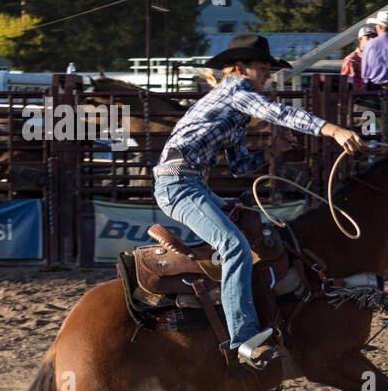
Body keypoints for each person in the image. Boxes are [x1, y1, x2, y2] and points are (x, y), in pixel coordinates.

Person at [154, 34, 364, 369]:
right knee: (234, 245)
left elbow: (238, 166)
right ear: (240, 68)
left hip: (192, 183)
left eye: (268, 69)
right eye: (263, 68)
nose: (267, 75)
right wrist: (333, 131)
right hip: (178, 184)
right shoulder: (237, 91)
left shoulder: (233, 108)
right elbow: (279, 113)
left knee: (255, 233)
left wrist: (270, 152)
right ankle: (243, 338)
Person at [341, 24, 376, 91]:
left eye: (374, 37)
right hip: (358, 98)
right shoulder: (351, 60)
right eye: (368, 37)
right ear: (359, 39)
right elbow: (345, 85)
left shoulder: (375, 58)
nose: (371, 40)